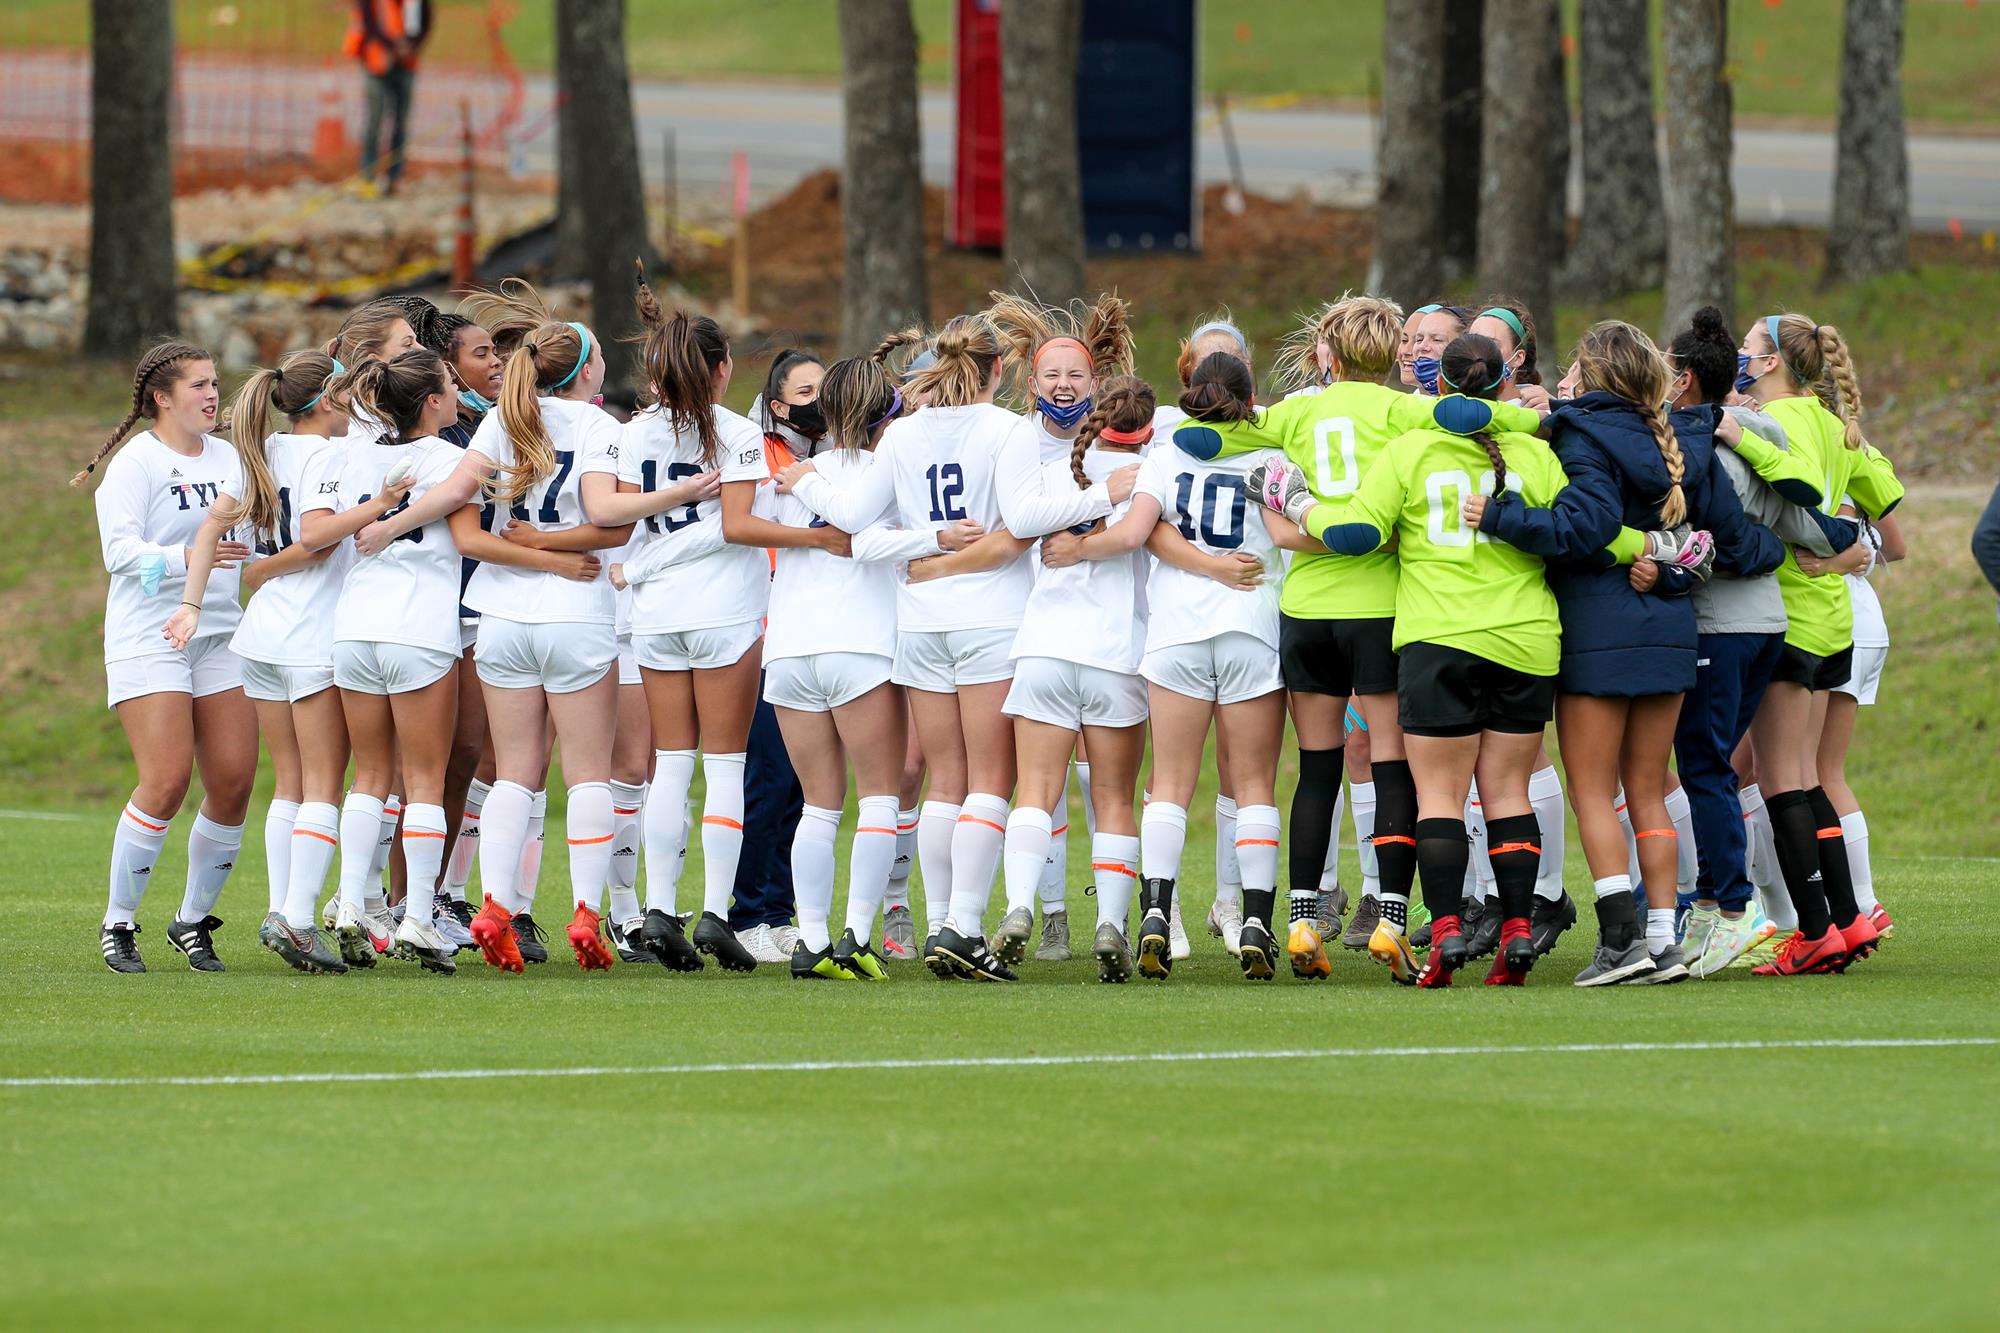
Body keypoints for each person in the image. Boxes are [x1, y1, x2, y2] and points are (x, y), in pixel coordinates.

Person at [1173, 298, 1543, 982]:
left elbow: (1217, 439)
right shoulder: (1400, 410)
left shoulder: (1297, 411)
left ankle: (1304, 919)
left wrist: (1206, 423)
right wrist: (1534, 414)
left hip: (1307, 606)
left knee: (1317, 768)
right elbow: (1471, 416)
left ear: (1328, 355)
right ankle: (1393, 917)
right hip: (1380, 609)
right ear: (1391, 356)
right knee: (1392, 764)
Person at [776, 313, 1135, 982]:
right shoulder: (1005, 429)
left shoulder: (905, 433)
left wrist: (807, 482)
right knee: (990, 782)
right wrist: (1096, 492)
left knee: (945, 782)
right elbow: (1025, 520)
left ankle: (945, 916)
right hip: (989, 621)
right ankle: (962, 925)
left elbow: (854, 523)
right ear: (1000, 371)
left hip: (919, 623)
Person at [1473, 320, 1783, 986]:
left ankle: (1620, 942)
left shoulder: (1580, 434)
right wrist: (1678, 570)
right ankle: (1661, 940)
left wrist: (1498, 516)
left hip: (1598, 630)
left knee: (1594, 791)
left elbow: (1581, 529)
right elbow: (1721, 543)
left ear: (1591, 377)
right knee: (1647, 790)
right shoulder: (1684, 440)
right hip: (1672, 633)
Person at [1254, 332, 1566, 988]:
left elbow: (1358, 532)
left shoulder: (1411, 448)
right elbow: (1569, 532)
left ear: (1440, 386)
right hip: (1525, 636)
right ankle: (1514, 931)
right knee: (1508, 790)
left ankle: (1445, 930)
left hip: (1436, 634)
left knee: (1440, 796)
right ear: (1502, 382)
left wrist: (1295, 507)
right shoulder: (1535, 456)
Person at [1061, 360, 1287, 979]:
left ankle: (1156, 912)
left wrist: (1077, 548)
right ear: (1249, 400)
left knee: (1170, 783)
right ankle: (1257, 923)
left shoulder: (1165, 455)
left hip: (1175, 633)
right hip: (1249, 627)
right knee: (1254, 785)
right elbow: (1286, 532)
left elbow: (1138, 532)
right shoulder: (1269, 457)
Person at [1653, 307, 1855, 977]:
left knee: (1712, 767)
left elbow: (1723, 532)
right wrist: (1836, 544)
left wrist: (1756, 546)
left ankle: (1734, 911)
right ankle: (1732, 906)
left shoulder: (1707, 441)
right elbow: (1820, 525)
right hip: (1772, 625)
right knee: (1740, 769)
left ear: (1682, 378)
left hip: (1724, 624)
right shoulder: (1760, 433)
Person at [753, 354, 965, 978]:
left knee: (819, 803)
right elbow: (859, 538)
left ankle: (811, 940)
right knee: (878, 797)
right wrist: (935, 540)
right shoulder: (890, 469)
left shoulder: (790, 474)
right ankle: (856, 934)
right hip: (861, 645)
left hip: (788, 648)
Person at [161, 350, 355, 975]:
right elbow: (321, 541)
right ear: (327, 399)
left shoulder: (260, 452)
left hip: (260, 639)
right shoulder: (328, 456)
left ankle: (282, 908)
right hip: (311, 636)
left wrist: (206, 595)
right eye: (347, 392)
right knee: (324, 783)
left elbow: (211, 532)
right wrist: (382, 502)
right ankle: (296, 920)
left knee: (289, 783)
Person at [1735, 312, 1905, 976]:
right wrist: (1842, 558)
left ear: (1773, 361)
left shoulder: (1780, 425)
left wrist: (1738, 436)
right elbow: (1884, 504)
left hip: (1791, 612)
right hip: (1835, 617)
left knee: (1780, 779)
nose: (1745, 359)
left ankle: (1814, 928)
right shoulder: (1838, 425)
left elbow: (1797, 496)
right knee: (1806, 777)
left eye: (1751, 349)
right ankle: (1847, 915)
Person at [78, 343, 257, 974]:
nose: (212, 395)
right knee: (167, 780)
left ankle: (190, 921)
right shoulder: (137, 464)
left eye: (216, 384)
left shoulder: (230, 457)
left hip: (219, 631)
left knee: (234, 781)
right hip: (150, 633)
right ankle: (119, 922)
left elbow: (249, 545)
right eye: (199, 385)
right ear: (163, 397)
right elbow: (119, 554)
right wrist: (193, 558)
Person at [313, 349, 471, 973]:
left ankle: (352, 904)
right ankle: (418, 919)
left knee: (370, 777)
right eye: (451, 386)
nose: (459, 394)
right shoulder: (452, 458)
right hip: (419, 629)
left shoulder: (355, 454)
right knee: (425, 780)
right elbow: (467, 506)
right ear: (431, 402)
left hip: (355, 627)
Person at [345, 0, 432, 196]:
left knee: (400, 124)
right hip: (377, 63)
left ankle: (395, 178)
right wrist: (394, 46)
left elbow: (426, 22)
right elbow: (369, 23)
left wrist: (411, 46)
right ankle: (368, 177)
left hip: (406, 64)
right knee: (374, 121)